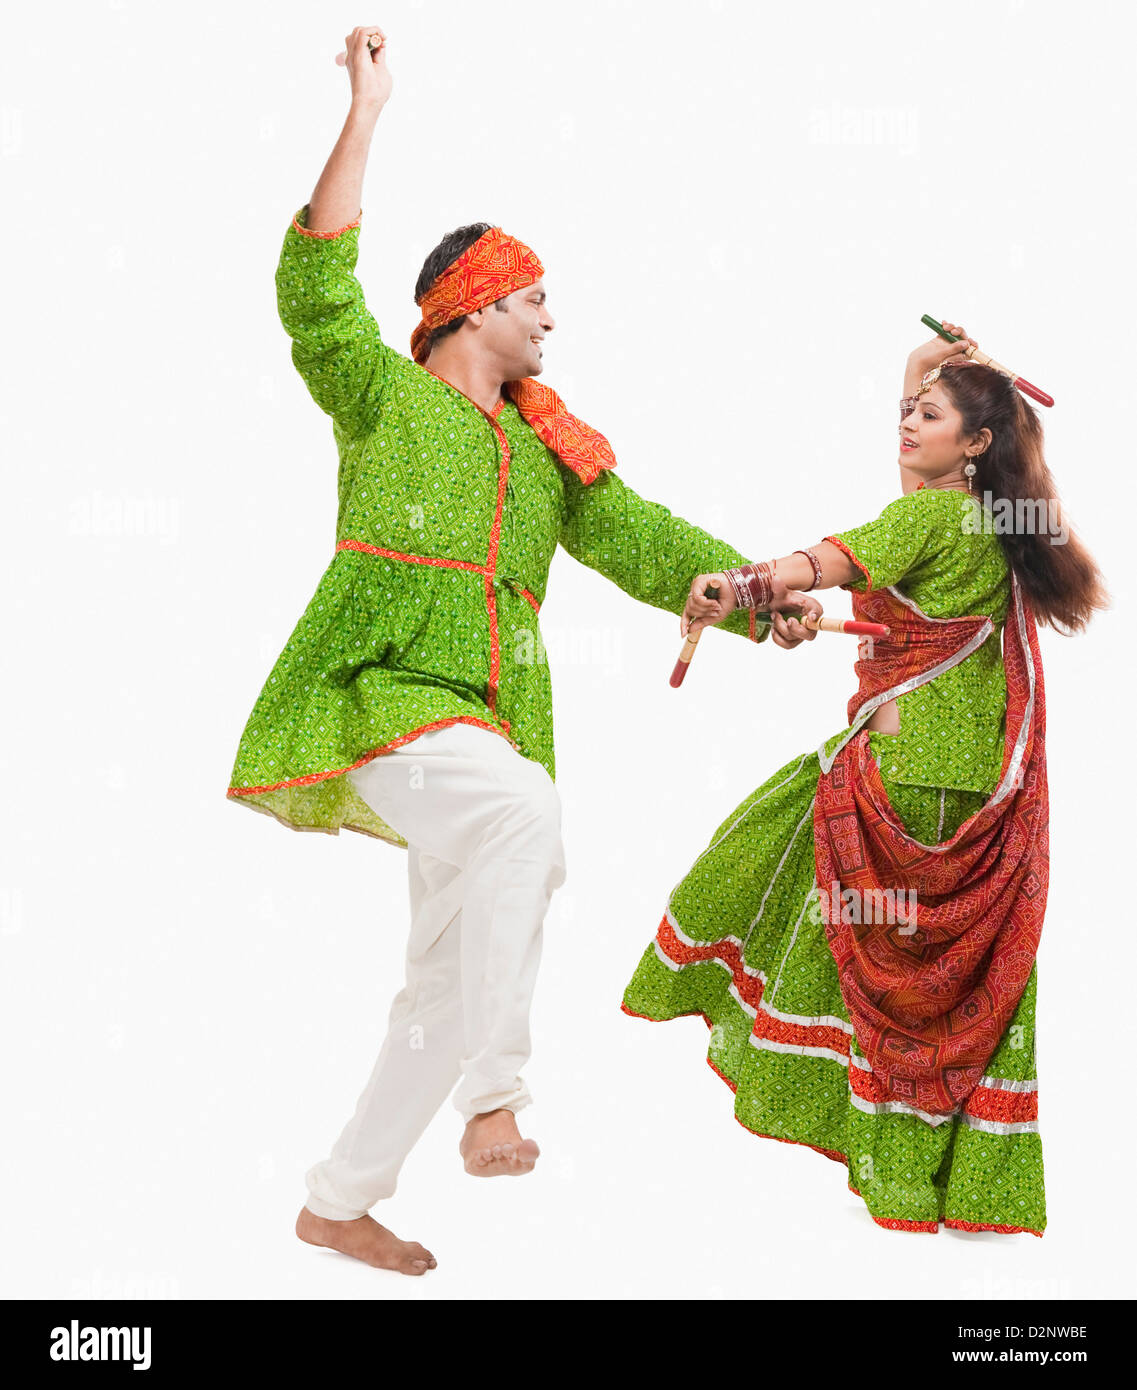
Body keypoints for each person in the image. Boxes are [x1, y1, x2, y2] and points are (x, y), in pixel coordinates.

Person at [225, 26, 775, 1275]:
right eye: (535, 301)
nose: (551, 321)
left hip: (485, 715)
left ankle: (338, 1197)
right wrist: (367, 115)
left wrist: (757, 592)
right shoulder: (386, 393)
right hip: (374, 700)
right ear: (474, 303)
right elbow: (313, 289)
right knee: (528, 817)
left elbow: (643, 539)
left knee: (440, 973)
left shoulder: (546, 452)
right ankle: (496, 1098)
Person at [622, 322, 1107, 1235]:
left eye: (925, 416)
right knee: (955, 989)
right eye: (903, 412)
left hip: (901, 781)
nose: (904, 425)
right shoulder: (996, 518)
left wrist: (750, 585)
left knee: (821, 919)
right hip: (974, 791)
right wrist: (929, 372)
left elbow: (836, 560)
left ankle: (867, 1141)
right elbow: (892, 525)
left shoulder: (928, 517)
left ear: (974, 445)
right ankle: (944, 1180)